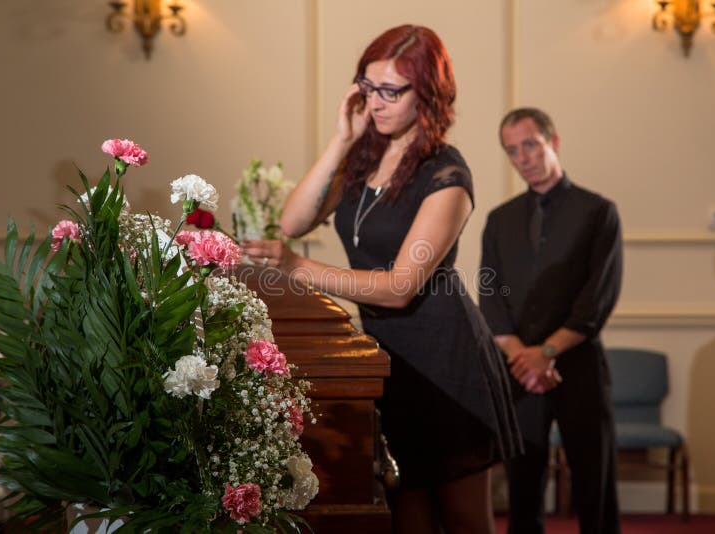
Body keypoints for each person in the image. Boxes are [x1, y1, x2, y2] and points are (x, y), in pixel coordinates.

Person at [242, 24, 521, 534]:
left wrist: (296, 267)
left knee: (462, 521)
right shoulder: (364, 158)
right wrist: (340, 139)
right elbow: (291, 223)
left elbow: (399, 287)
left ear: (429, 94)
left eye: (391, 91)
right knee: (404, 515)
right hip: (385, 360)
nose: (376, 103)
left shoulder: (447, 175)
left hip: (445, 360)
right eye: (367, 88)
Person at [479, 107, 623, 534]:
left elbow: (597, 298)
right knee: (522, 487)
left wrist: (547, 353)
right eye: (512, 151)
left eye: (530, 145)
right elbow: (491, 296)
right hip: (518, 370)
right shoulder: (499, 219)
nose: (523, 157)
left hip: (578, 365)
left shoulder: (599, 212)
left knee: (594, 484)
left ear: (553, 142)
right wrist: (522, 357)